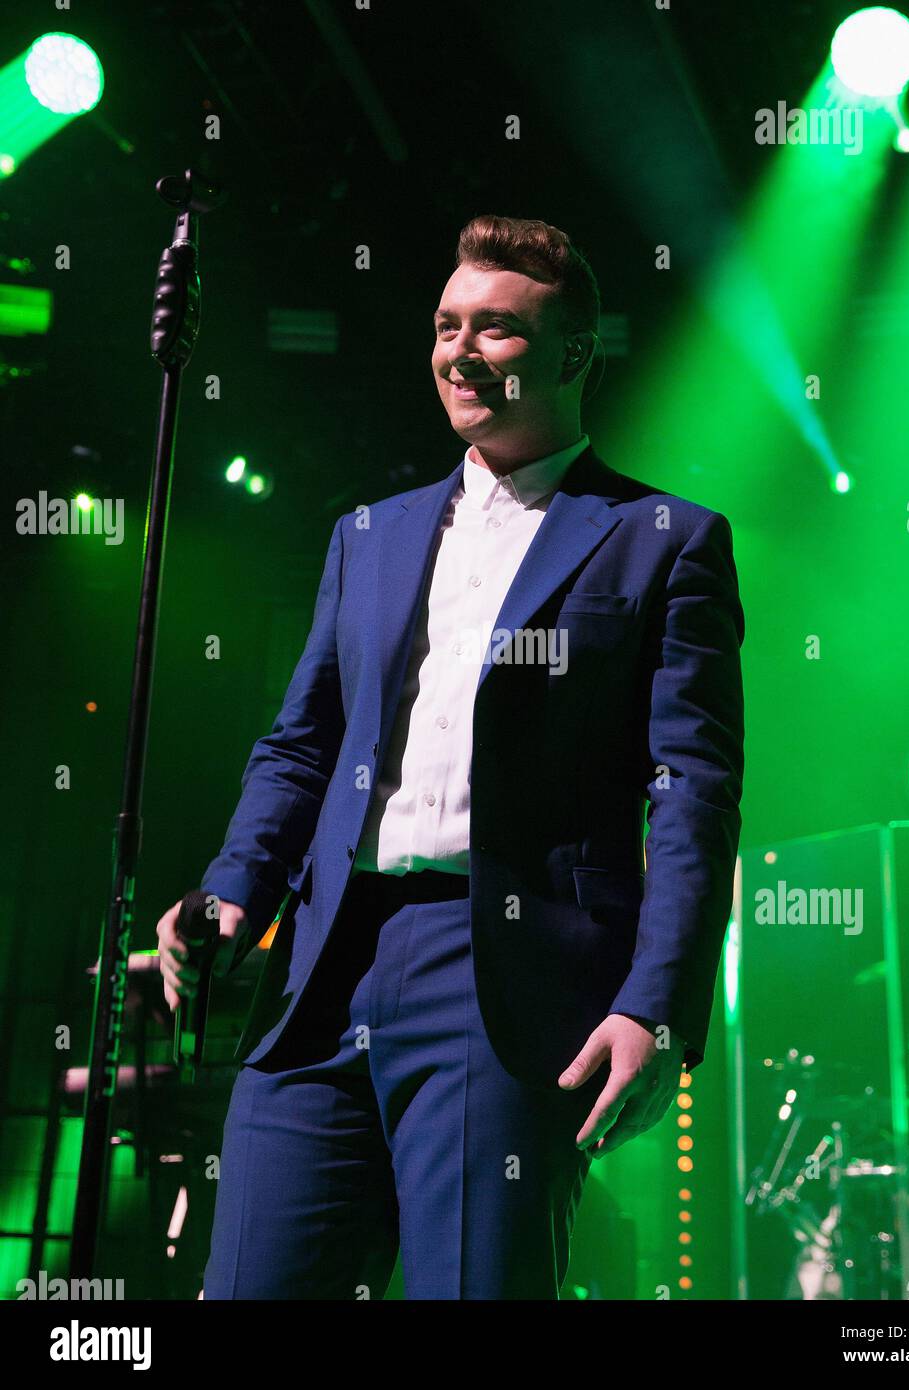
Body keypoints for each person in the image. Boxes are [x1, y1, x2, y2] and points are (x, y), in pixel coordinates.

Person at [156, 213, 745, 1299]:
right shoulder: (367, 534)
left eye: (495, 329)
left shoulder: (662, 539)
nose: (459, 351)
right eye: (444, 326)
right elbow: (302, 746)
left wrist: (657, 1002)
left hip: (506, 977)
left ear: (574, 354)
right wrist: (234, 888)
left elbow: (694, 797)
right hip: (325, 963)